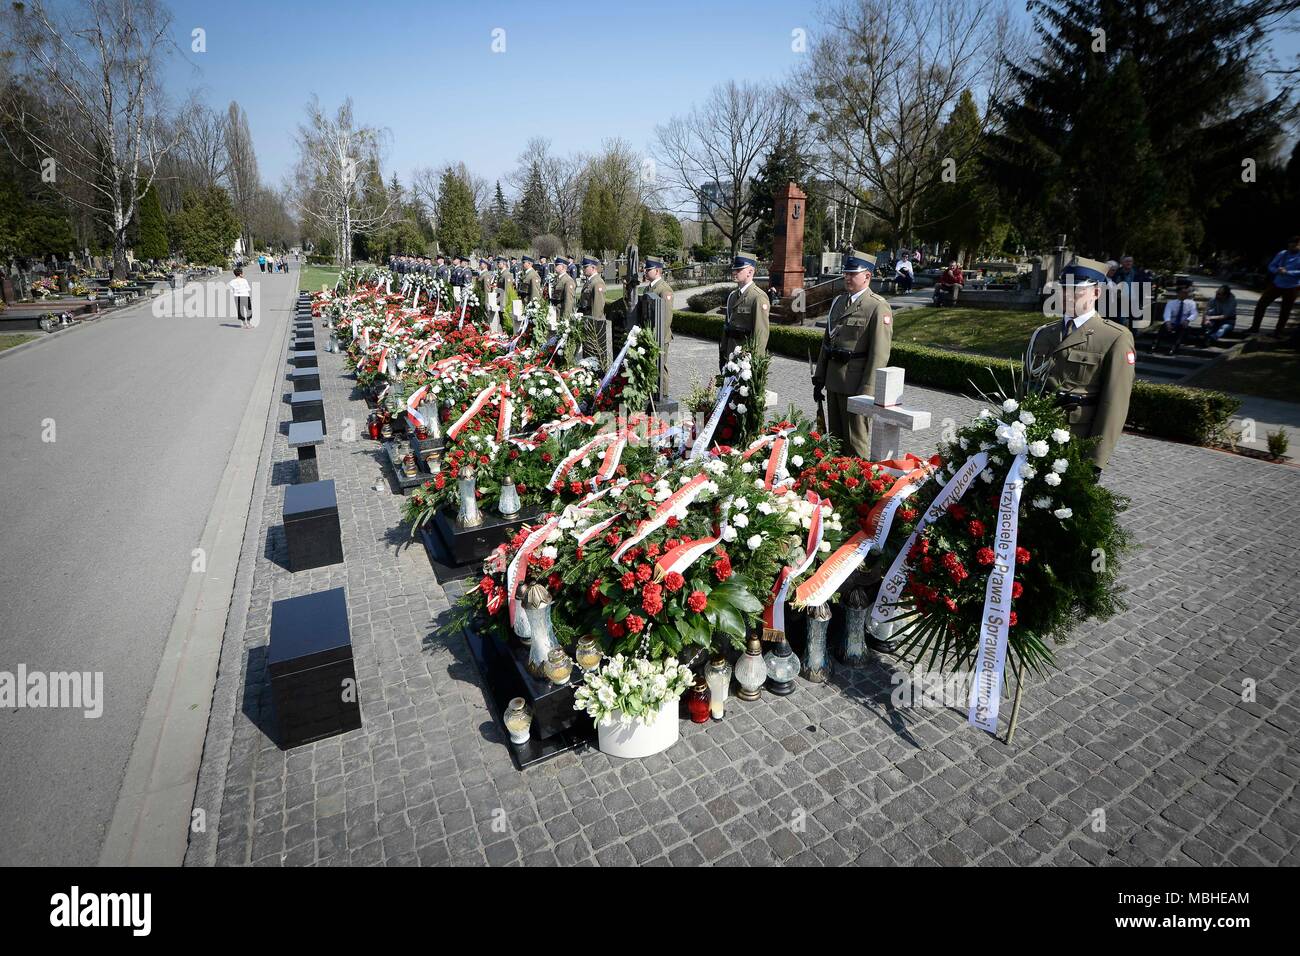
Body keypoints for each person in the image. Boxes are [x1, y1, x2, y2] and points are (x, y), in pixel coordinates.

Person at [1023, 255, 1135, 471]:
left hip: (1076, 442)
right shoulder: (1045, 333)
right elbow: (1027, 385)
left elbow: (1115, 404)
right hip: (1032, 437)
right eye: (1064, 289)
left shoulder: (1114, 338)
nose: (1069, 296)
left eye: (1077, 290)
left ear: (1096, 292)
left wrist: (1096, 460)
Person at [813, 250, 892, 458]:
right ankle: (836, 481)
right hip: (834, 381)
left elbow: (879, 353)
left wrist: (868, 390)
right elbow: (826, 344)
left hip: (856, 385)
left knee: (856, 442)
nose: (847, 277)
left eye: (852, 274)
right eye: (846, 273)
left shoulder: (876, 306)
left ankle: (858, 484)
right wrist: (820, 376)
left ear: (867, 276)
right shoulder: (838, 302)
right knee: (835, 440)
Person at [719, 251, 770, 369]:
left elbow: (760, 334)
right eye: (734, 269)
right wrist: (723, 353)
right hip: (730, 357)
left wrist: (755, 364)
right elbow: (727, 327)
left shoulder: (758, 297)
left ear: (750, 272)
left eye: (739, 269)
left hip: (746, 360)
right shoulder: (732, 296)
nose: (734, 272)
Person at [1249, 236, 1300, 338]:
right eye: (1290, 245)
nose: (1291, 247)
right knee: (1261, 304)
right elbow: (1271, 266)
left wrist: (1288, 272)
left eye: (1294, 246)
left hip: (1293, 286)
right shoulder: (1283, 253)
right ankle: (1254, 327)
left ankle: (1278, 332)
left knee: (1285, 310)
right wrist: (1276, 270)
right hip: (1277, 283)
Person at [638, 256, 674, 391]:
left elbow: (666, 318)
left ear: (657, 271)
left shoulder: (664, 290)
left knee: (660, 367)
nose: (645, 272)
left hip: (659, 337)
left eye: (648, 269)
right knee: (651, 366)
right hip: (649, 335)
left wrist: (657, 338)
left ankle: (663, 395)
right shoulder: (649, 288)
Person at [1153, 279, 1197, 354]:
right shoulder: (1171, 303)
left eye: (1186, 292)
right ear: (1178, 293)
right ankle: (1154, 345)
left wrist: (1188, 320)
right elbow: (1167, 313)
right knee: (1163, 327)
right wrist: (1167, 322)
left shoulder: (1191, 303)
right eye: (1183, 292)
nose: (1185, 294)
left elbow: (1194, 314)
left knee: (1182, 330)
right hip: (1172, 323)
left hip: (1183, 323)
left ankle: (1173, 347)